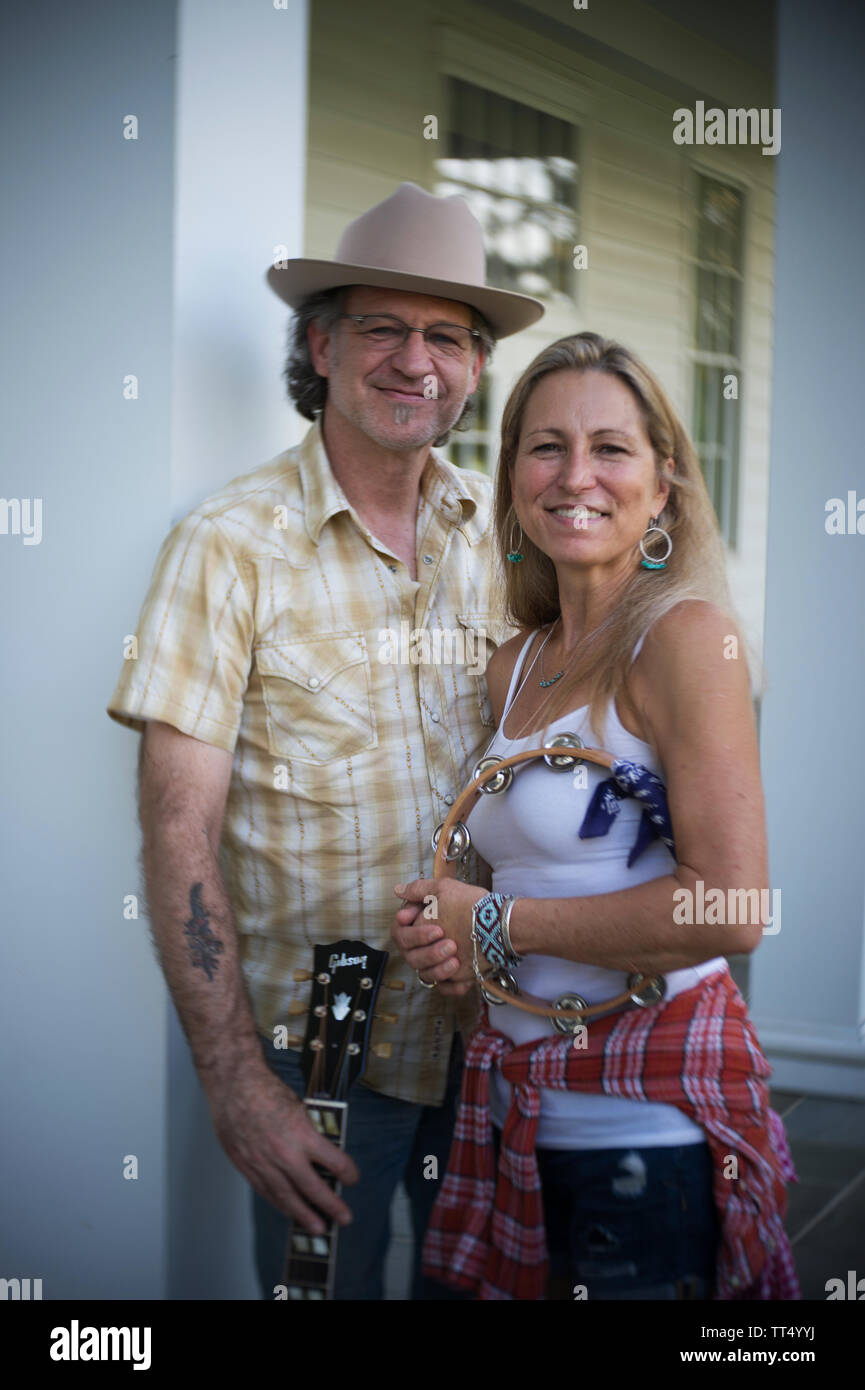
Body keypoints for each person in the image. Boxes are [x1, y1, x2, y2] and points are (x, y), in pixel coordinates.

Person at [105, 182, 544, 1300]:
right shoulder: (228, 546)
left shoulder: (499, 544)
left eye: (446, 335)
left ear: (476, 366)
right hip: (323, 1057)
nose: (415, 360)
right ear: (320, 342)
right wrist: (237, 1081)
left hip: (491, 1038)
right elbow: (177, 824)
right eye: (382, 327)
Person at [393, 331, 800, 1301]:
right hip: (513, 1122)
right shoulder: (516, 664)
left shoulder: (687, 638)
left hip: (639, 1142)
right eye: (545, 446)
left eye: (610, 448)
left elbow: (733, 909)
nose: (576, 474)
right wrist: (453, 946)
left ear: (661, 486)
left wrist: (494, 920)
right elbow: (518, 892)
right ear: (513, 483)